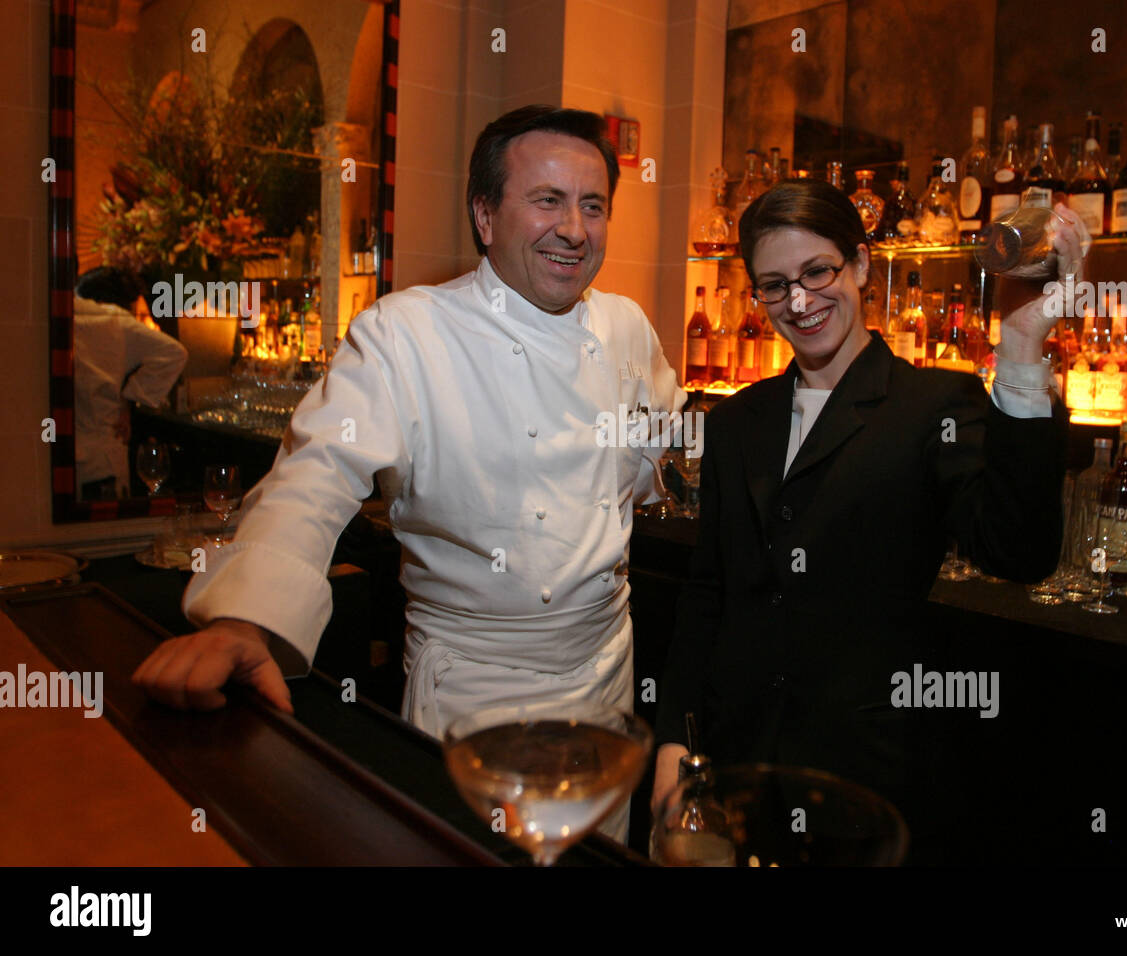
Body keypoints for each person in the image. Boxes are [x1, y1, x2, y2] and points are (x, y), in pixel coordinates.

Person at [131, 105, 685, 842]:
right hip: (473, 696)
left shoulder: (626, 327)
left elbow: (669, 450)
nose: (575, 230)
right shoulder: (405, 333)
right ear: (484, 217)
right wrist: (245, 617)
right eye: (547, 201)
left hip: (605, 683)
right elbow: (318, 468)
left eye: (593, 206)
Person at [650, 179, 1087, 858]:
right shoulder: (738, 420)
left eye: (817, 271)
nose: (798, 301)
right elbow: (709, 592)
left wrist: (1024, 345)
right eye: (773, 285)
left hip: (859, 785)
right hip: (734, 778)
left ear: (860, 265)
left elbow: (1019, 550)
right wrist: (675, 743)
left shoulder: (934, 403)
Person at [73, 267, 188, 500]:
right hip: (105, 451)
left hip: (63, 447)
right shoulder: (113, 320)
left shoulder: (63, 318)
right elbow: (174, 353)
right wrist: (130, 397)